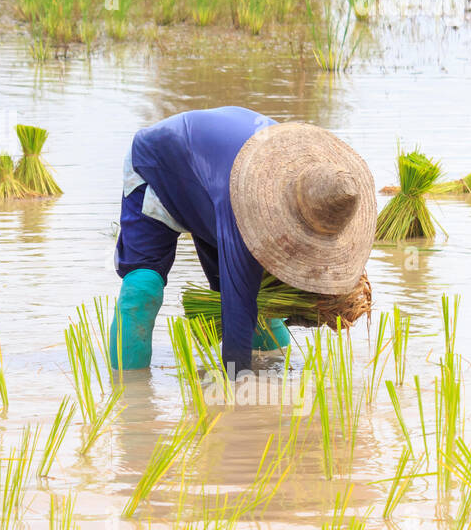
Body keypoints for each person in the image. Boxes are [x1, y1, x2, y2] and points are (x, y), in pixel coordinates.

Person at [109, 106, 375, 375]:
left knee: (263, 300)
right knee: (143, 289)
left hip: (208, 182)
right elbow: (238, 307)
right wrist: (238, 387)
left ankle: (275, 371)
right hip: (158, 168)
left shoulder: (316, 180)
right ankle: (127, 397)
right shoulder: (245, 203)